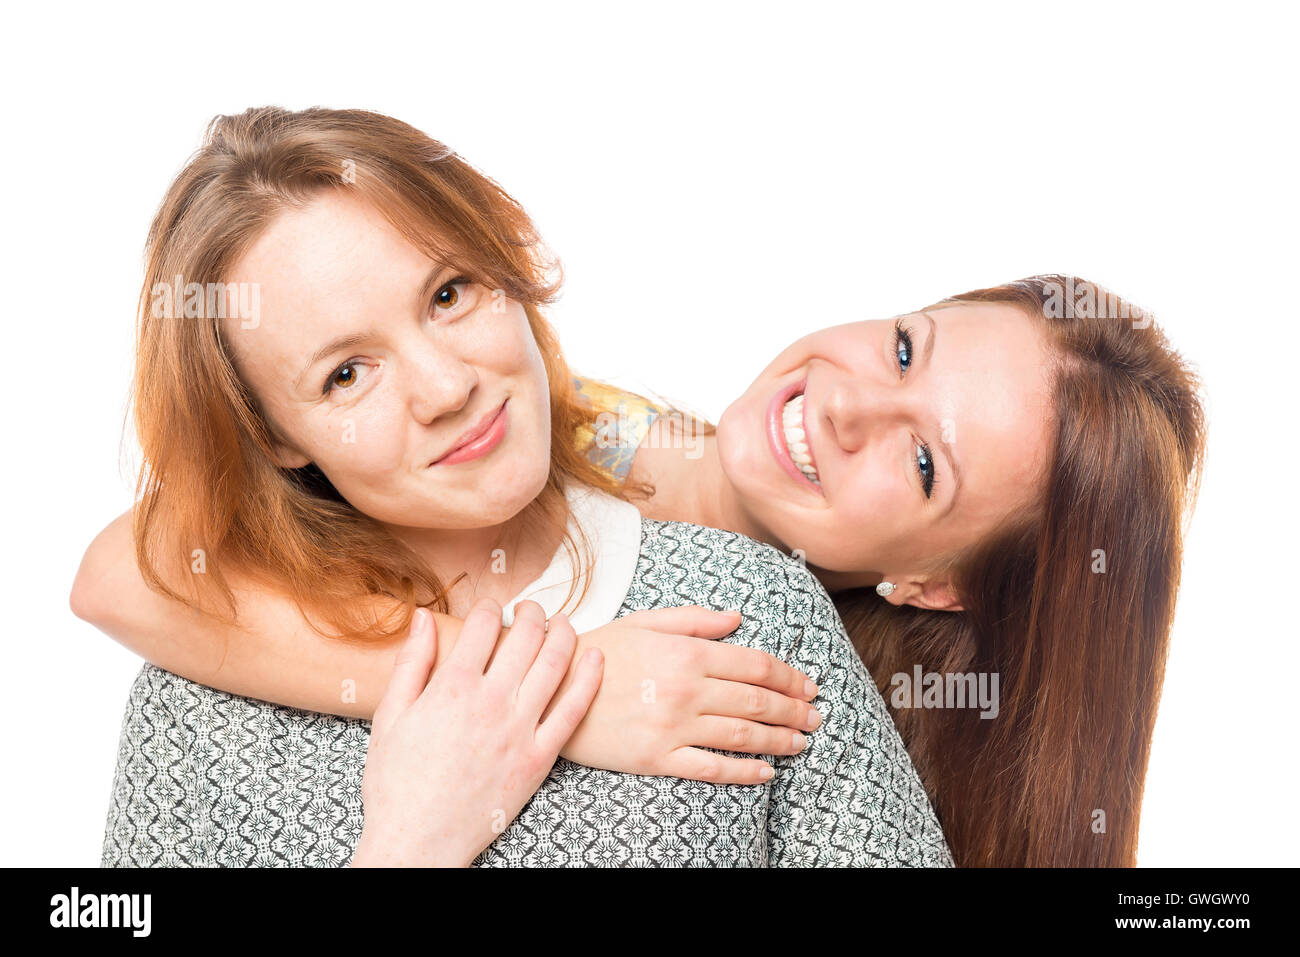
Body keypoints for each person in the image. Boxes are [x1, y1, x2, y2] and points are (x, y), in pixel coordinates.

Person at [75, 106, 1207, 868]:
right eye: (907, 348)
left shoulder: (767, 638)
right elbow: (114, 576)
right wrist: (528, 707)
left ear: (929, 588)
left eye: (923, 466)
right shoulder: (603, 433)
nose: (851, 407)